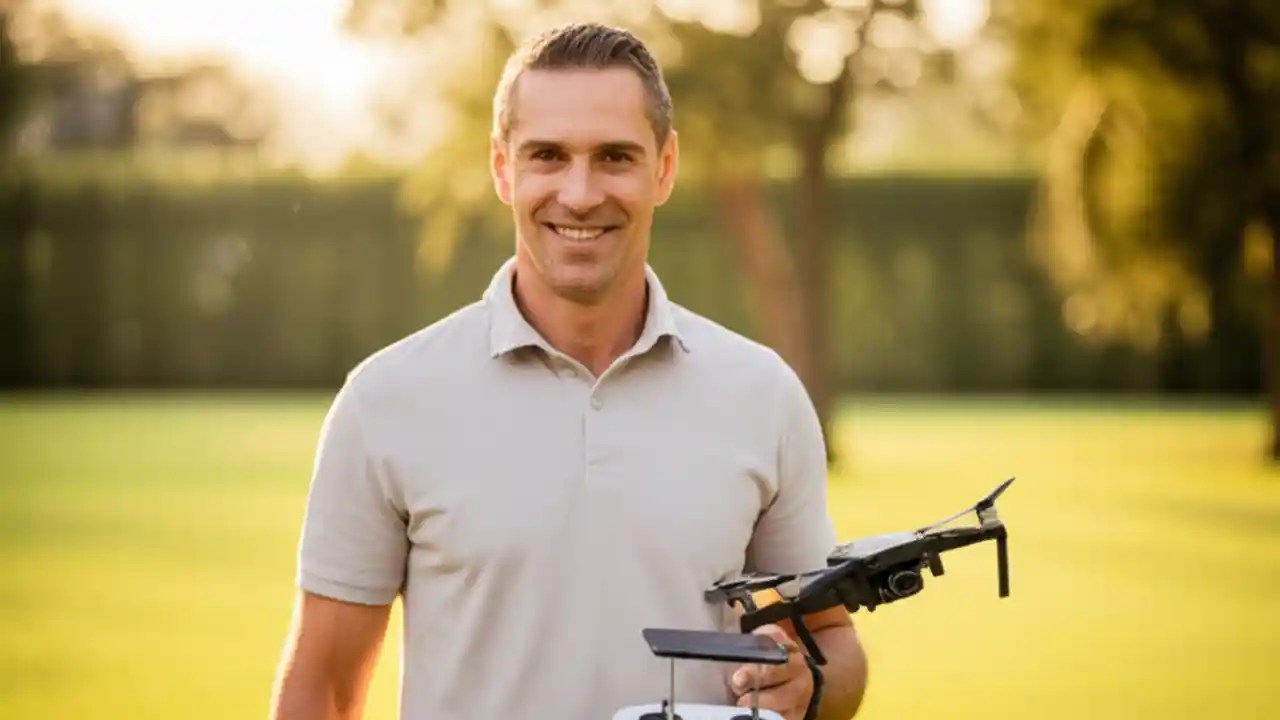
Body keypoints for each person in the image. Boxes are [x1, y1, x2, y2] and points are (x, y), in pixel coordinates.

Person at [270, 22, 868, 720]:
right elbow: (323, 688)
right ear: (503, 168)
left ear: (665, 168)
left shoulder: (762, 395)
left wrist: (811, 685)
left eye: (615, 157)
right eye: (547, 156)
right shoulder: (385, 401)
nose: (580, 194)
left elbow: (833, 645)